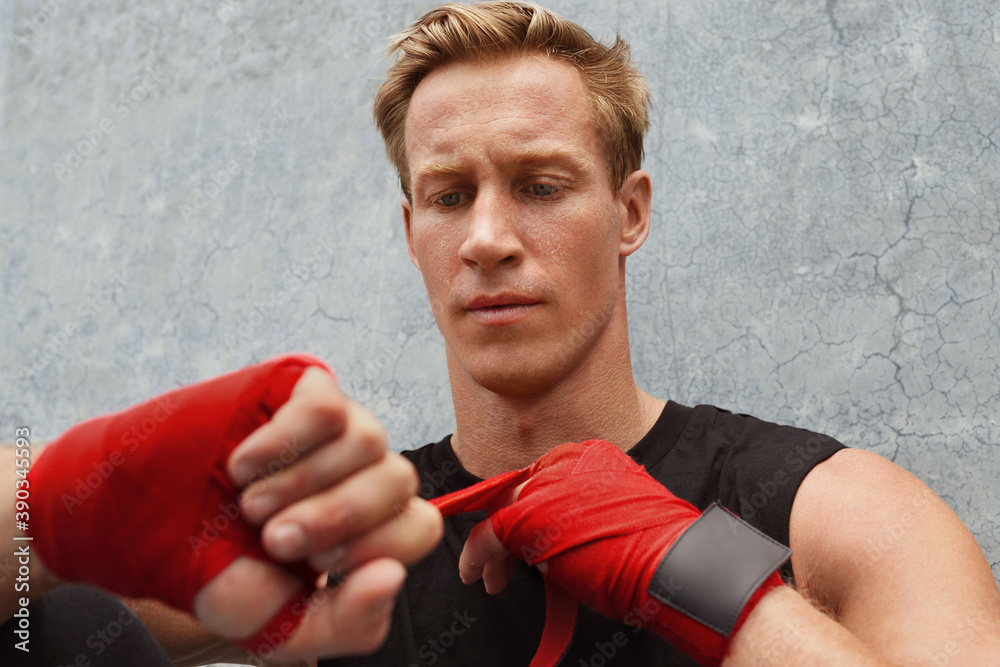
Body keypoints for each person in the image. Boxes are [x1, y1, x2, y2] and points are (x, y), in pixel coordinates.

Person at [4, 2, 999, 666]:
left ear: (629, 213)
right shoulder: (343, 546)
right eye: (448, 196)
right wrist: (61, 503)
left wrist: (704, 575)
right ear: (411, 233)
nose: (485, 239)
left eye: (539, 186)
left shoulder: (836, 513)